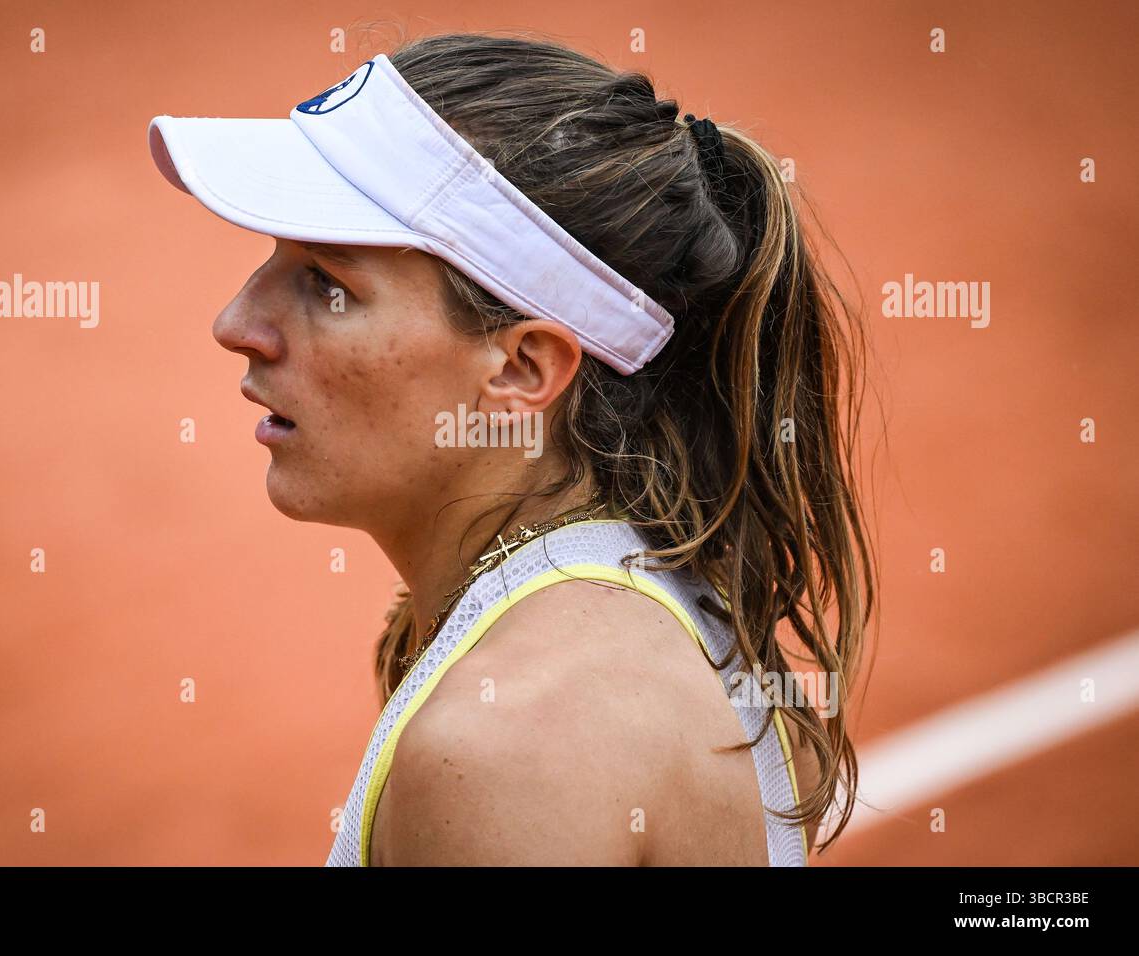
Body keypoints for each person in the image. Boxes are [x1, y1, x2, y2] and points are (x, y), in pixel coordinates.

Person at [148, 32, 875, 866]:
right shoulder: (652, 597)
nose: (237, 325)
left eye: (329, 287)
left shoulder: (508, 752)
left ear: (524, 369)